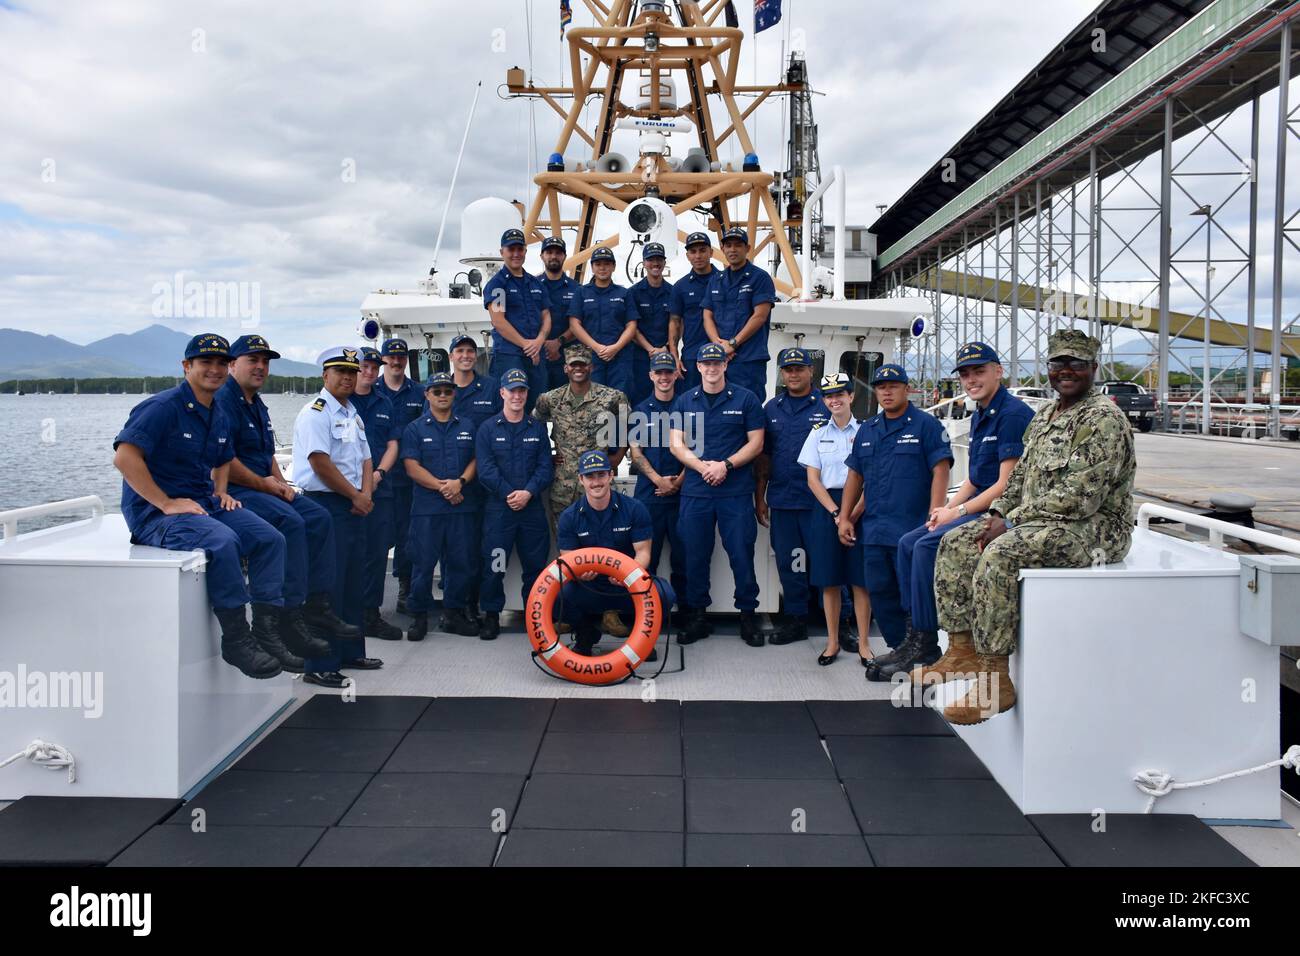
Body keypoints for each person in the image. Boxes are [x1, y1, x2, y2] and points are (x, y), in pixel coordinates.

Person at [924, 330, 1136, 723]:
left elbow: (1079, 498)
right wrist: (997, 513)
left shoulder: (1103, 419)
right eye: (1059, 364)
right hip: (1043, 521)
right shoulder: (1046, 417)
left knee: (1000, 554)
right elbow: (1019, 479)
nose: (1066, 371)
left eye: (1076, 364)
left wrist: (1011, 522)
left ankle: (995, 681)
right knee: (956, 542)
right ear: (1049, 370)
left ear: (1093, 368)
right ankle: (961, 650)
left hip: (1095, 529)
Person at [113, 333, 287, 679]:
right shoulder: (162, 408)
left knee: (270, 538)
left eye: (221, 363)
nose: (214, 370)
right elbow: (125, 458)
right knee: (223, 541)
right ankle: (237, 639)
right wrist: (164, 502)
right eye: (205, 362)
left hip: (204, 502)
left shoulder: (217, 410)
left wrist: (221, 490)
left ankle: (267, 628)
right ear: (186, 366)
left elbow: (223, 456)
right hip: (156, 515)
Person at [878, 343, 1034, 679]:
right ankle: (916, 635)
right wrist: (944, 510)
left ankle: (929, 641)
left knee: (926, 546)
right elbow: (976, 478)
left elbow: (1006, 485)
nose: (971, 379)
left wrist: (958, 510)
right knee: (909, 541)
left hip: (1003, 514)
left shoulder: (1012, 415)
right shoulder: (981, 413)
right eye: (965, 373)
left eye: (979, 371)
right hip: (979, 504)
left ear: (998, 371)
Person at [215, 334, 352, 669]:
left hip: (263, 484)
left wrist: (278, 480)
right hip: (238, 488)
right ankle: (285, 618)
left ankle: (315, 605)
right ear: (233, 364)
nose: (261, 367)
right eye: (253, 360)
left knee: (319, 518)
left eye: (265, 361)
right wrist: (266, 484)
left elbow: (264, 453)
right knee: (289, 523)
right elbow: (223, 458)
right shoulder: (223, 402)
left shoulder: (256, 402)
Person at [837, 364, 952, 679]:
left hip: (912, 531)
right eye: (881, 387)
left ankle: (924, 651)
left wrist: (935, 516)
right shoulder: (868, 429)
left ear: (907, 389)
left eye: (893, 386)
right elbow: (855, 475)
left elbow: (940, 470)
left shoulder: (927, 425)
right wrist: (845, 517)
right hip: (874, 529)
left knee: (911, 595)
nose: (886, 392)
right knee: (880, 592)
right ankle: (901, 650)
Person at [292, 346, 384, 688]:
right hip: (324, 505)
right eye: (340, 371)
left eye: (352, 371)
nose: (347, 377)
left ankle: (349, 651)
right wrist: (356, 495)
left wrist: (366, 496)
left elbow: (365, 460)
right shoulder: (316, 413)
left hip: (353, 506)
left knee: (352, 581)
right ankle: (319, 663)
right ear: (324, 375)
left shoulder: (352, 413)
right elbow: (320, 463)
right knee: (325, 586)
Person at [669, 341, 766, 647]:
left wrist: (725, 465)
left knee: (741, 553)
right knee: (694, 554)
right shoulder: (685, 401)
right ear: (697, 367)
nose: (711, 368)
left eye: (717, 363)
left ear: (725, 365)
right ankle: (698, 616)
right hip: (697, 491)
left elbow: (756, 444)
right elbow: (676, 444)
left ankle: (748, 615)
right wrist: (702, 467)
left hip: (735, 490)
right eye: (705, 363)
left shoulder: (746, 399)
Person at [555, 450, 671, 661]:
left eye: (601, 475)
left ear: (610, 475)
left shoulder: (635, 509)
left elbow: (643, 553)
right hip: (590, 586)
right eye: (590, 476)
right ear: (581, 479)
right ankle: (586, 634)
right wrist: (580, 574)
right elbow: (568, 559)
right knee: (557, 596)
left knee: (664, 593)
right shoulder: (569, 517)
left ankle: (642, 640)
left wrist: (628, 576)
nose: (596, 482)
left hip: (627, 585)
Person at [798, 373, 873, 666]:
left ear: (852, 396)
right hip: (826, 509)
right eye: (829, 395)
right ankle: (832, 643)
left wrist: (851, 515)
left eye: (840, 394)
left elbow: (871, 478)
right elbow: (813, 480)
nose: (835, 400)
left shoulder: (867, 431)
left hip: (860, 509)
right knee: (828, 580)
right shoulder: (817, 433)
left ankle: (865, 644)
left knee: (860, 580)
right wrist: (835, 514)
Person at [475, 367, 555, 641]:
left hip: (531, 510)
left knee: (535, 568)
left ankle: (535, 617)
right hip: (500, 511)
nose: (517, 395)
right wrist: (511, 494)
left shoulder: (538, 428)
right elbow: (485, 470)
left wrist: (528, 493)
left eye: (522, 391)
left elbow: (546, 467)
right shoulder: (487, 429)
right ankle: (491, 616)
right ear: (502, 393)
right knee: (495, 566)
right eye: (512, 390)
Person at [756, 347, 829, 646]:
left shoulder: (827, 406)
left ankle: (843, 621)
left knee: (827, 561)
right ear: (782, 373)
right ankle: (797, 619)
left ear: (811, 371)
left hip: (820, 503)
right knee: (791, 563)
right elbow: (764, 458)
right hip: (784, 500)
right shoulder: (771, 409)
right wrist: (760, 498)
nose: (794, 373)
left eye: (800, 368)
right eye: (788, 369)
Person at [401, 373, 479, 640]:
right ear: (427, 395)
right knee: (422, 564)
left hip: (460, 508)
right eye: (437, 391)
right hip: (428, 509)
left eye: (447, 391)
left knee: (461, 564)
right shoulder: (415, 429)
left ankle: (453, 614)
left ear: (454, 394)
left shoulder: (468, 425)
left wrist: (460, 482)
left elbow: (476, 460)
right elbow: (411, 467)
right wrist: (444, 487)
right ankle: (419, 616)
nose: (443, 395)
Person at [533, 342, 629, 524]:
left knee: (602, 539)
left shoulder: (612, 397)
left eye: (583, 364)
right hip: (563, 486)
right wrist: (546, 455)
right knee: (566, 542)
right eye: (573, 365)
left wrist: (619, 455)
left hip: (598, 484)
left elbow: (628, 423)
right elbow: (533, 425)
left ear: (591, 367)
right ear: (565, 368)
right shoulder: (550, 399)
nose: (578, 368)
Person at [627, 351, 688, 614]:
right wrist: (658, 480)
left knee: (684, 560)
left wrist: (678, 482)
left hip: (683, 497)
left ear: (676, 374)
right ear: (651, 375)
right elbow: (635, 452)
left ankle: (687, 614)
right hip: (648, 497)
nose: (664, 377)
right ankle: (646, 614)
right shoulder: (639, 411)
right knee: (645, 562)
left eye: (668, 372)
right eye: (658, 372)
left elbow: (698, 451)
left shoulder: (688, 407)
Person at [351, 346, 404, 641]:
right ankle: (346, 612)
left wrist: (379, 474)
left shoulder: (385, 403)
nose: (369, 372)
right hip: (347, 491)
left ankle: (370, 614)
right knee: (348, 552)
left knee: (376, 552)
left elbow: (393, 444)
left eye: (374, 367)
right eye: (364, 367)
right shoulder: (340, 402)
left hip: (380, 490)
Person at [450, 332, 502, 623]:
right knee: (459, 548)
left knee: (488, 547)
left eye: (470, 351)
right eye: (460, 351)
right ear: (452, 357)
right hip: (454, 483)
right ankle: (459, 604)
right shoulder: (442, 389)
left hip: (488, 481)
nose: (466, 355)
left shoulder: (491, 388)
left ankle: (483, 603)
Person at [375, 337, 425, 613]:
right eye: (391, 357)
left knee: (408, 538)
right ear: (384, 360)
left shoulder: (419, 393)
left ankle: (404, 589)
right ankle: (371, 597)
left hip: (408, 480)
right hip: (378, 480)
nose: (396, 361)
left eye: (401, 357)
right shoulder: (372, 391)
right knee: (378, 538)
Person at [702, 226, 776, 401]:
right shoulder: (716, 280)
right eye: (728, 245)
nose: (732, 249)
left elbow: (760, 316)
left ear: (747, 249)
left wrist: (733, 344)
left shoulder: (760, 278)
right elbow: (707, 315)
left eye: (738, 245)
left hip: (748, 360)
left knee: (749, 409)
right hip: (719, 359)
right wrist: (718, 345)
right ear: (723, 249)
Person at [482, 227, 551, 411]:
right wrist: (527, 345)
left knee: (538, 409)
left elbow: (546, 316)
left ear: (525, 251)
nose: (516, 254)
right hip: (509, 357)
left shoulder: (535, 283)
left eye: (519, 249)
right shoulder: (497, 285)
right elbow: (498, 321)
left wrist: (539, 341)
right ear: (502, 252)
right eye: (511, 249)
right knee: (511, 408)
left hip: (536, 356)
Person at [567, 245, 637, 398]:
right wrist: (597, 347)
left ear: (613, 266)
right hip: (591, 358)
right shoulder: (581, 293)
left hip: (620, 358)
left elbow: (632, 325)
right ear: (592, 267)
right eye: (598, 264)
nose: (602, 268)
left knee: (620, 401)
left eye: (606, 264)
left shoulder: (624, 293)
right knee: (592, 401)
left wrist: (616, 347)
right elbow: (574, 324)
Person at [626, 242, 678, 407]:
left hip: (666, 354)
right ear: (644, 263)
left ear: (664, 262)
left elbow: (677, 323)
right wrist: (650, 349)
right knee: (640, 400)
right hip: (640, 356)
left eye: (659, 259)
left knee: (667, 397)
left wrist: (667, 346)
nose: (655, 263)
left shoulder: (673, 292)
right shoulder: (633, 293)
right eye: (651, 259)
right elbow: (631, 326)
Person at [669, 231, 718, 391]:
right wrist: (674, 356)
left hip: (723, 355)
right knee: (692, 408)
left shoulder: (724, 281)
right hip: (692, 357)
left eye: (702, 250)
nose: (698, 256)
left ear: (711, 252)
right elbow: (675, 321)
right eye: (693, 251)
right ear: (687, 255)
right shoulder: (680, 286)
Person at [538, 236, 580, 391]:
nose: (554, 256)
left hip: (568, 359)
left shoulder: (577, 289)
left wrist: (558, 342)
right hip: (539, 357)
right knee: (539, 405)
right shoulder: (531, 286)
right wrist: (545, 344)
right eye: (549, 252)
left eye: (558, 252)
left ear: (564, 256)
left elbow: (578, 324)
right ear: (542, 256)